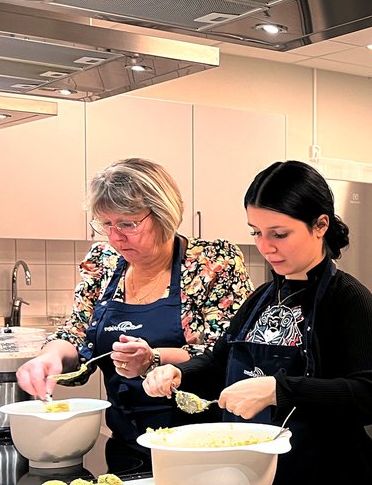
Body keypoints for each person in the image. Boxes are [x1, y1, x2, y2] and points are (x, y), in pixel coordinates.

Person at [143, 160, 372, 485]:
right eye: (256, 232)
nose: (265, 246)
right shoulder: (262, 297)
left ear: (320, 225)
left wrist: (278, 389)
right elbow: (220, 362)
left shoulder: (349, 300)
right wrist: (180, 374)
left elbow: (371, 397)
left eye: (279, 233)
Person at [17, 157, 251, 468]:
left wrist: (154, 358)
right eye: (106, 224)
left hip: (201, 446)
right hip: (127, 443)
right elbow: (77, 334)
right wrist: (50, 357)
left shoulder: (212, 262)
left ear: (163, 215)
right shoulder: (103, 261)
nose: (115, 237)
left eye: (127, 224)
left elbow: (226, 354)